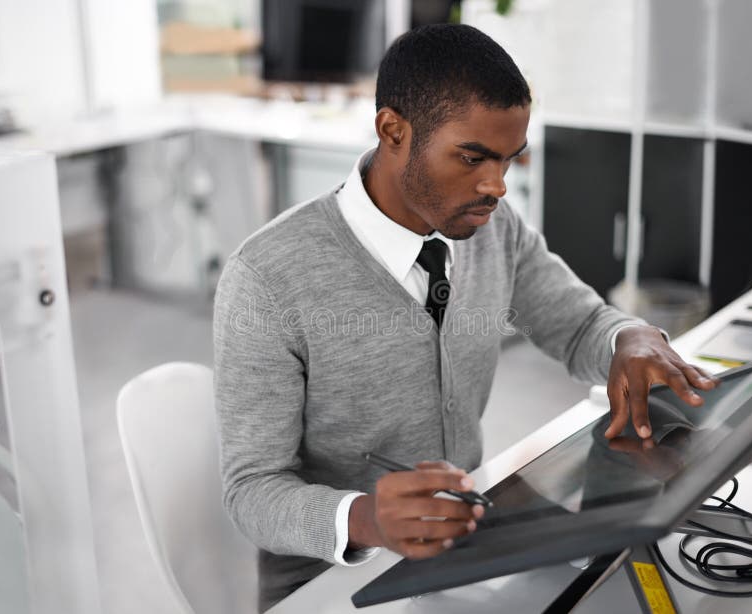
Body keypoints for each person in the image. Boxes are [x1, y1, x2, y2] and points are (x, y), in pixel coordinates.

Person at [213, 24, 718, 612]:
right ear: (392, 130)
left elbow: (578, 324)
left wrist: (626, 336)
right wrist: (367, 518)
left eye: (509, 160)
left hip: (461, 540)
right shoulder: (267, 276)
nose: (496, 186)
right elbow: (252, 490)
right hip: (330, 580)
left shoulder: (490, 227)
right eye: (472, 157)